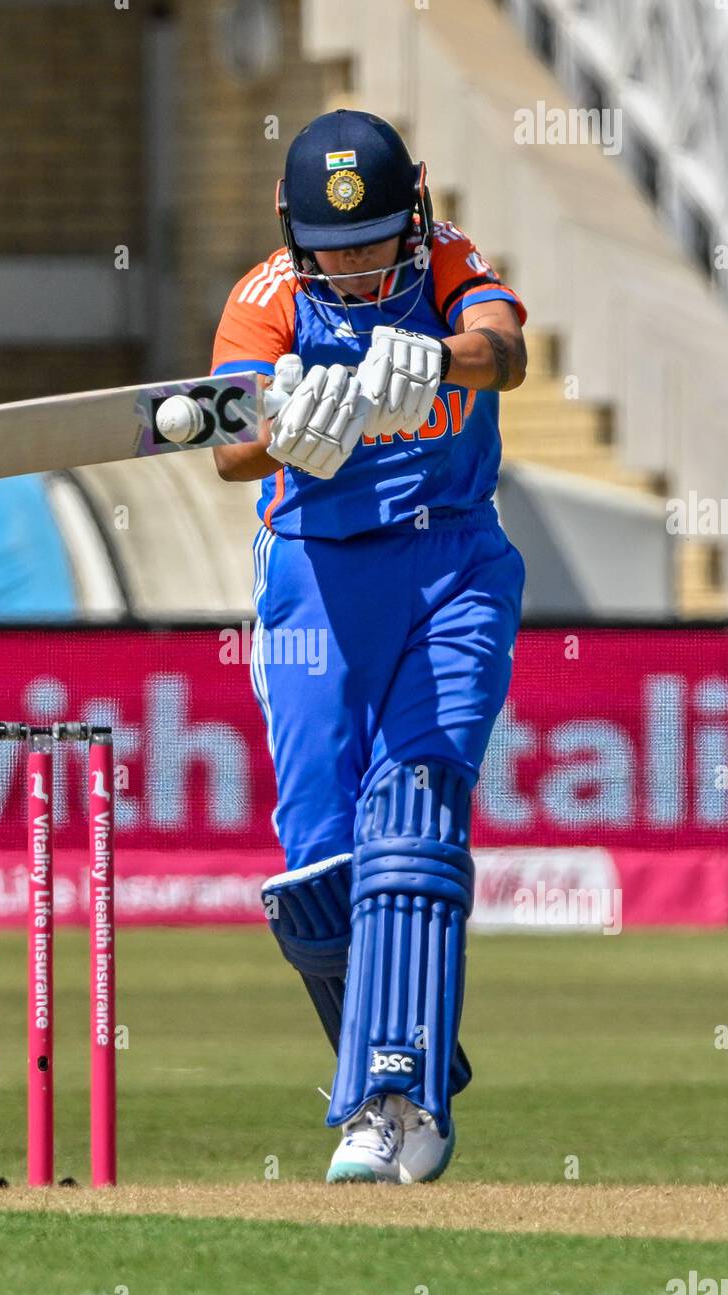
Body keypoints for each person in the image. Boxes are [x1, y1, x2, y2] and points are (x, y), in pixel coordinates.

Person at [211, 109, 527, 1184]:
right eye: (330, 244)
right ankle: (389, 1060)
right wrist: (279, 431)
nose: (353, 264)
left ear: (419, 204)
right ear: (287, 228)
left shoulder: (445, 265)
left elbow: (506, 352)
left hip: (452, 563)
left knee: (417, 808)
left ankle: (392, 1098)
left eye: (376, 235)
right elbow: (223, 444)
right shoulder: (267, 298)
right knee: (317, 862)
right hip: (315, 577)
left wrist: (438, 357)